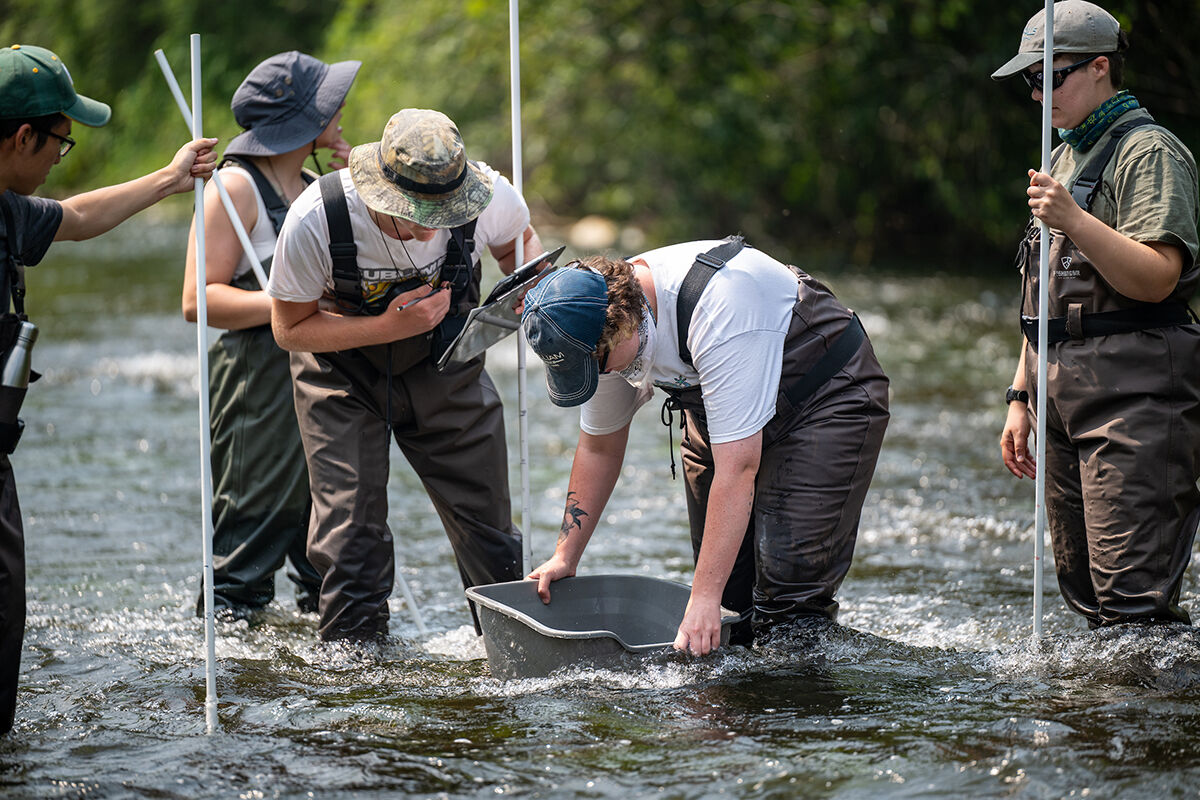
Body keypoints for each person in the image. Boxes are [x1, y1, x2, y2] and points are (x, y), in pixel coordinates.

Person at [520, 238, 890, 655]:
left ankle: (795, 711)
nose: (597, 375)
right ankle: (732, 718)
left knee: (787, 606)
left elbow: (738, 470)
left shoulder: (720, 306)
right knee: (729, 609)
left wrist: (702, 600)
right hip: (721, 411)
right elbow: (599, 448)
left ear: (623, 322)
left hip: (822, 398)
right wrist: (565, 556)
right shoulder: (592, 332)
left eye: (596, 366)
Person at [0, 43, 216, 734]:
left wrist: (169, 178)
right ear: (23, 136)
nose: (60, 158)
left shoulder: (9, 209)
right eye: (60, 144)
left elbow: (78, 218)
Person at [267, 107, 544, 642]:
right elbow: (289, 329)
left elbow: (522, 246)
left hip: (450, 370)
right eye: (413, 214)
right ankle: (357, 678)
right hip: (341, 377)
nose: (426, 231)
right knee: (351, 535)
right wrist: (387, 327)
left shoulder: (494, 197)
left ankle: (511, 655)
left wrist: (528, 286)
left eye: (442, 214)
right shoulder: (316, 217)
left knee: (489, 530)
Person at [993, 1, 1200, 626]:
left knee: (1133, 604)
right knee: (1084, 593)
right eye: (1030, 79)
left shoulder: (1150, 154)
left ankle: (1148, 721)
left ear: (1100, 68)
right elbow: (1047, 293)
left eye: (1048, 76)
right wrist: (1020, 395)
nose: (1036, 93)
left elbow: (1160, 276)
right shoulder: (1064, 157)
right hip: (1062, 398)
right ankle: (1090, 722)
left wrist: (1074, 220)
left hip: (1137, 398)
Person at [182, 51, 360, 620]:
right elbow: (198, 300)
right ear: (301, 122)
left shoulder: (318, 186)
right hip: (256, 381)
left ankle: (322, 690)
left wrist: (361, 177)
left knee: (328, 551)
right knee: (247, 543)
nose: (341, 111)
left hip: (321, 379)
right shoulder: (235, 190)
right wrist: (291, 303)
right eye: (329, 105)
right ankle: (235, 687)